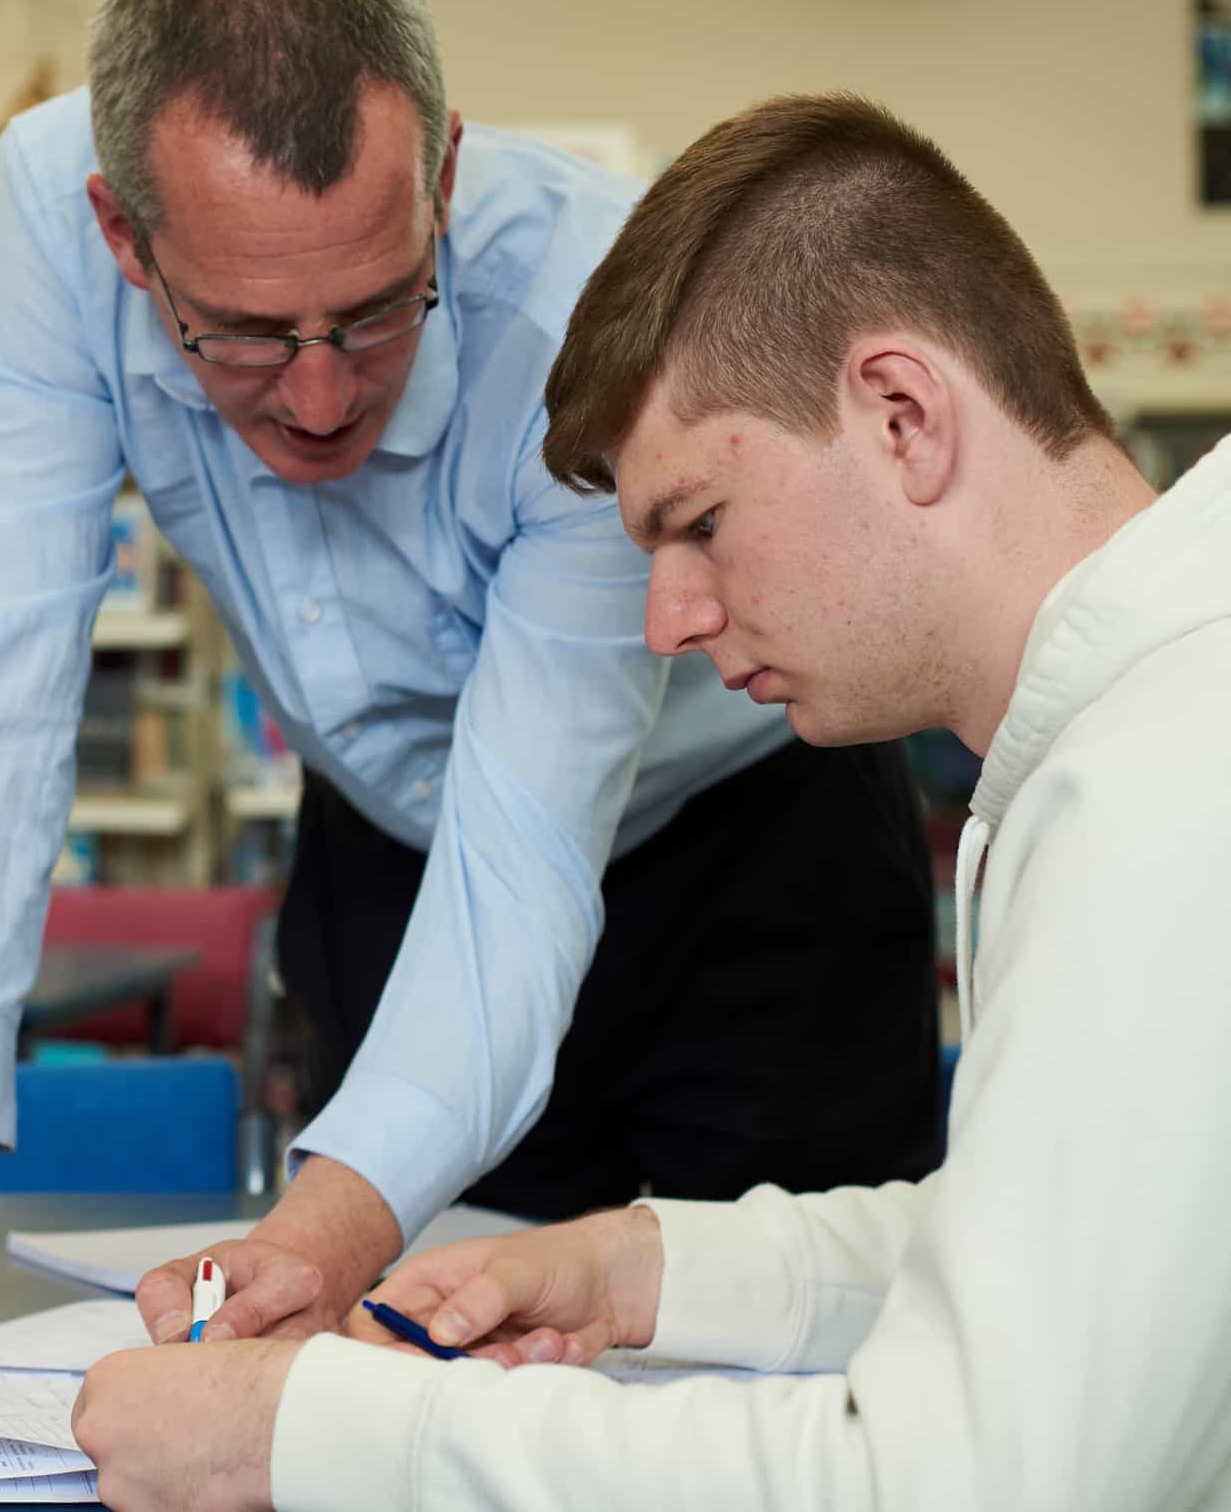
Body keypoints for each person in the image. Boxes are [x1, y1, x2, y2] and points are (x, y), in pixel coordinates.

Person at [0, 0, 940, 1362]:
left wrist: (303, 1242)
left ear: (444, 178)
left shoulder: (597, 304)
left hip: (749, 849)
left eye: (377, 310)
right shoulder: (44, 219)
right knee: (429, 1369)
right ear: (123, 235)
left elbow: (524, 848)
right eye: (248, 333)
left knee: (777, 1369)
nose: (327, 396)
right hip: (385, 846)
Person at [70, 90, 1231, 1511]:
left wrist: (319, 1436)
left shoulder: (1162, 797)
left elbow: (962, 1480)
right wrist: (640, 1262)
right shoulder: (1147, 725)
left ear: (903, 414)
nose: (666, 618)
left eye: (698, 524)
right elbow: (1067, 1263)